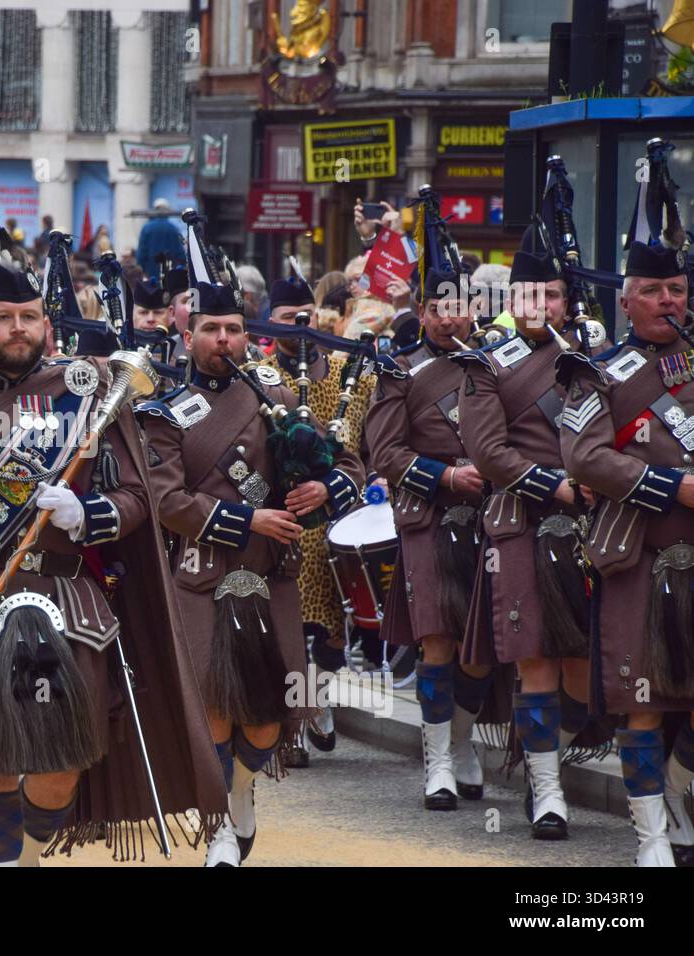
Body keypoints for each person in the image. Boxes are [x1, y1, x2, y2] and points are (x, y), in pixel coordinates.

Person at [0, 258, 225, 865]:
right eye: (4, 318)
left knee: (61, 768)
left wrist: (86, 513)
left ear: (46, 324)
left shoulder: (89, 393)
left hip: (70, 596)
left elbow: (139, 498)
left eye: (29, 317)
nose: (18, 329)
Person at [138, 256, 363, 865]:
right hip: (200, 577)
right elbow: (167, 501)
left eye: (234, 329)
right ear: (188, 336)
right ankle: (217, 825)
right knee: (212, 710)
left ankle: (241, 792)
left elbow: (349, 466)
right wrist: (249, 518)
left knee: (267, 716)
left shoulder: (277, 395)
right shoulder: (161, 411)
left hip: (270, 578)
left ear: (248, 333)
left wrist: (324, 491)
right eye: (212, 330)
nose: (224, 341)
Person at [450, 224, 605, 842]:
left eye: (551, 296)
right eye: (528, 297)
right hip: (521, 526)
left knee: (582, 671)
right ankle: (547, 792)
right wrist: (558, 486)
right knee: (535, 658)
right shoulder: (486, 364)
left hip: (593, 531)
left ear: (567, 301)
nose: (539, 307)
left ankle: (540, 754)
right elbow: (487, 451)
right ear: (510, 303)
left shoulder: (594, 356)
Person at [559, 237, 694, 867]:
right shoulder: (596, 372)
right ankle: (651, 841)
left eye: (677, 289)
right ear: (626, 300)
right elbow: (583, 457)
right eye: (652, 291)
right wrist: (673, 484)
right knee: (642, 704)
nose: (667, 301)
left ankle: (674, 787)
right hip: (637, 556)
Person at [364, 267, 495, 811]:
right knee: (438, 639)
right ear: (421, 314)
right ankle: (438, 761)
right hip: (429, 515)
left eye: (458, 308)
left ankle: (462, 741)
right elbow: (384, 453)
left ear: (475, 310)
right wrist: (444, 476)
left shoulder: (494, 364)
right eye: (437, 310)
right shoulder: (400, 370)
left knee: (482, 649)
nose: (448, 319)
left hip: (491, 516)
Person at [257, 271, 376, 767]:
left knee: (330, 632)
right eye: (288, 320)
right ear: (271, 323)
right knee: (292, 629)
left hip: (335, 518)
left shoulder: (351, 375)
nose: (299, 327)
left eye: (305, 317)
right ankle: (299, 715)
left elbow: (365, 447)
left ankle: (320, 696)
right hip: (280, 518)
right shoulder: (259, 375)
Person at [136, 199, 186, 282]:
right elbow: (180, 254)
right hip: (171, 271)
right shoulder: (174, 228)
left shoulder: (146, 228)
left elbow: (141, 252)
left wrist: (141, 269)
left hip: (151, 271)